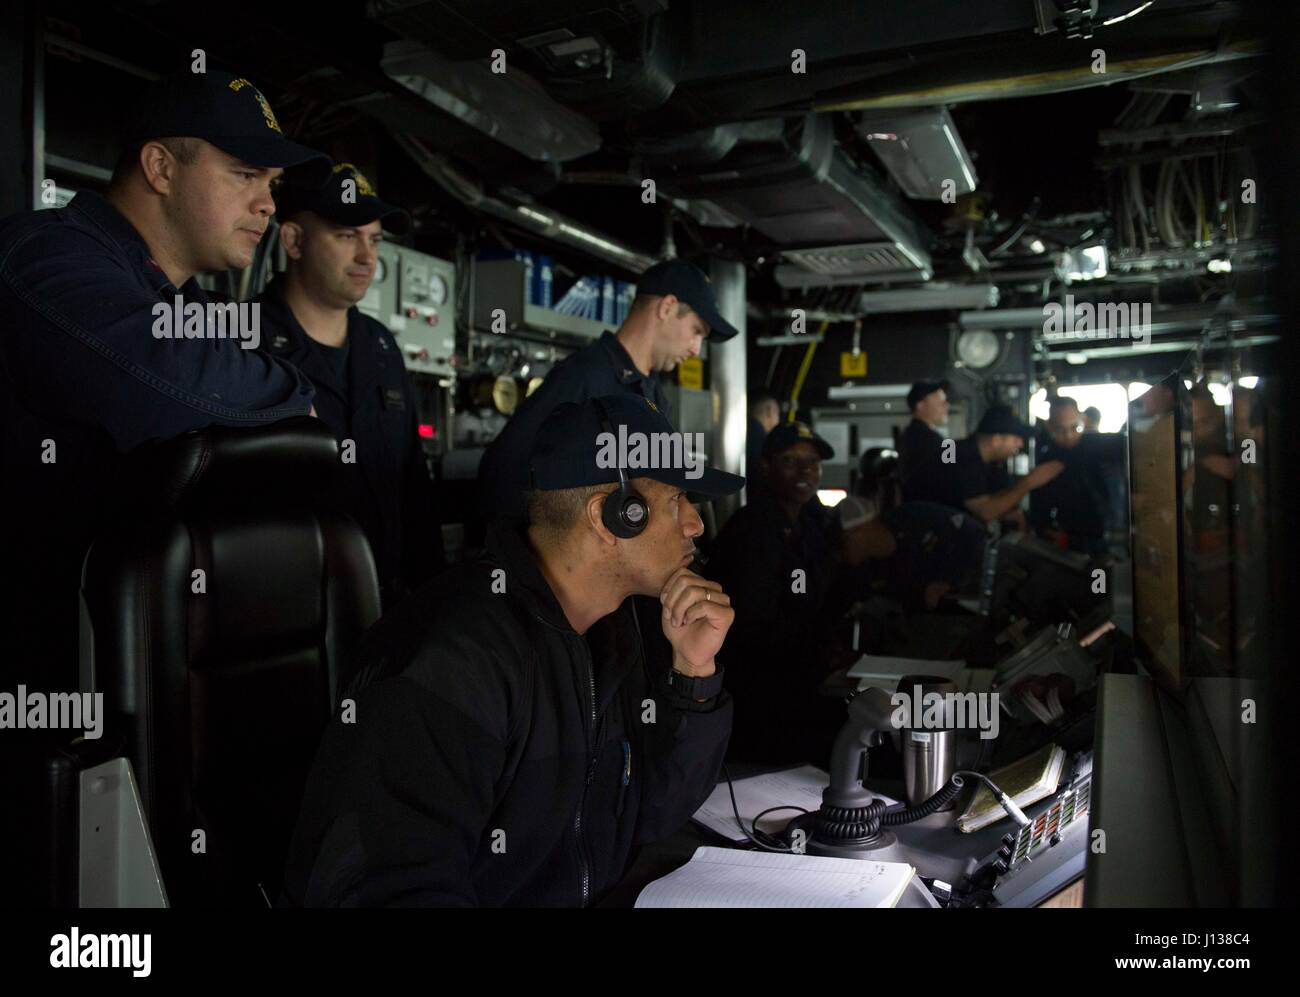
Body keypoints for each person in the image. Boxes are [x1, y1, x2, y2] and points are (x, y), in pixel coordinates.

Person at [283, 394, 744, 906]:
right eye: (677, 500)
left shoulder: (617, 632)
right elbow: (385, 888)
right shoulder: (452, 655)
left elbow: (650, 820)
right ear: (611, 516)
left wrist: (693, 672)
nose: (696, 525)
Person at [0, 70, 327, 695]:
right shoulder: (45, 258)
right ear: (161, 168)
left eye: (272, 184)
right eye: (244, 173)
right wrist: (294, 397)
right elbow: (175, 373)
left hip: (123, 663)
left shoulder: (186, 304)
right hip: (29, 681)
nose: (268, 203)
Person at [257, 163, 444, 607]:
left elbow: (414, 486)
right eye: (346, 236)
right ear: (294, 240)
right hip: (289, 615)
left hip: (387, 611)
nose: (367, 257)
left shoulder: (380, 346)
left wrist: (434, 603)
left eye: (374, 240)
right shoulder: (245, 342)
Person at [478, 259, 739, 520]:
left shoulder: (654, 395)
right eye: (696, 331)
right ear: (667, 307)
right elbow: (502, 470)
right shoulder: (586, 375)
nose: (695, 349)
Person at [705, 422, 857, 766]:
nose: (805, 470)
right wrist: (824, 656)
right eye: (791, 461)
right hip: (760, 691)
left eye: (813, 463)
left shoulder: (809, 522)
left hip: (798, 677)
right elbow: (754, 623)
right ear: (766, 468)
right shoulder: (755, 529)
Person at [907, 404, 1064, 527]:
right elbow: (986, 511)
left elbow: (993, 502)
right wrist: (1029, 482)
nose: (1020, 443)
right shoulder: (961, 456)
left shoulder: (986, 460)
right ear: (996, 439)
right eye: (1016, 438)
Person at [1030, 396, 1122, 558]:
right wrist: (1053, 535)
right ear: (1049, 426)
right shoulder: (1047, 461)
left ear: (1084, 420)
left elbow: (1137, 447)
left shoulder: (1102, 445)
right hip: (1071, 542)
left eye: (1075, 428)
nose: (1068, 435)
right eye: (1060, 430)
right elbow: (1039, 512)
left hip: (1115, 533)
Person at [898, 380, 949, 501]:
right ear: (920, 405)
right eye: (940, 402)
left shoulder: (910, 434)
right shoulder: (927, 438)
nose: (947, 406)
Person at [747, 389, 780, 487]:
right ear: (770, 411)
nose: (778, 420)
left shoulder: (740, 433)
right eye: (777, 414)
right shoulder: (764, 443)